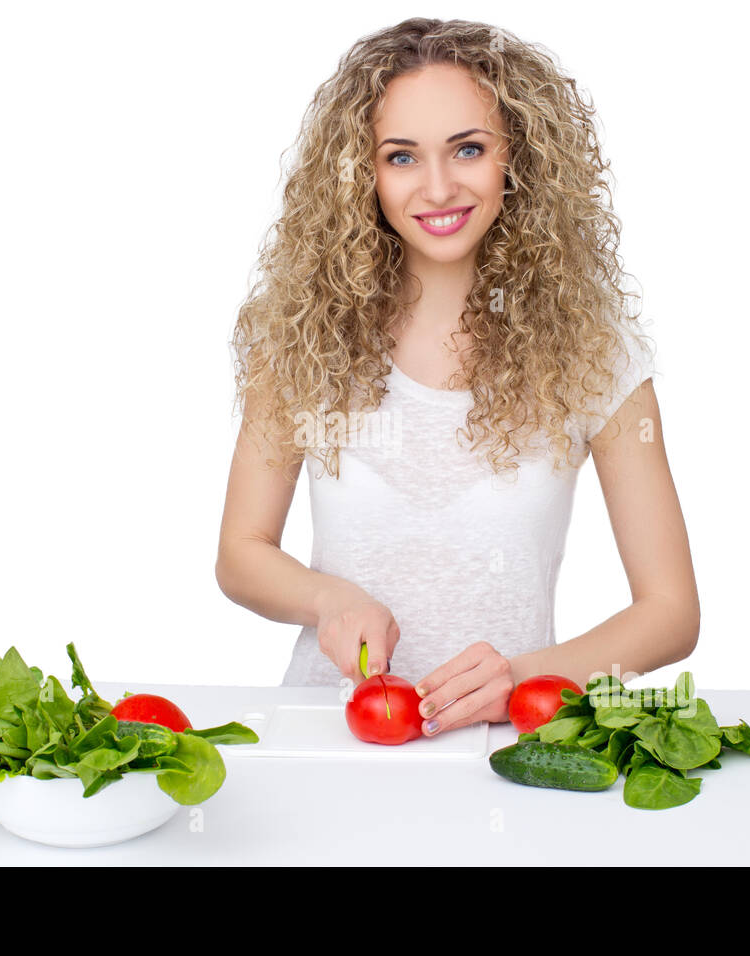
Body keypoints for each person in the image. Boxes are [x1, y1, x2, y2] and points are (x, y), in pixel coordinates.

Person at [215, 18, 699, 737]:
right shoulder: (300, 338)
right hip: (328, 734)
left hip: (505, 750)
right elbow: (241, 553)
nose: (437, 188)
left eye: (467, 149)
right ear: (362, 173)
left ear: (519, 159)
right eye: (401, 157)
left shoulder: (598, 354)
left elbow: (670, 612)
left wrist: (522, 680)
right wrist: (327, 598)